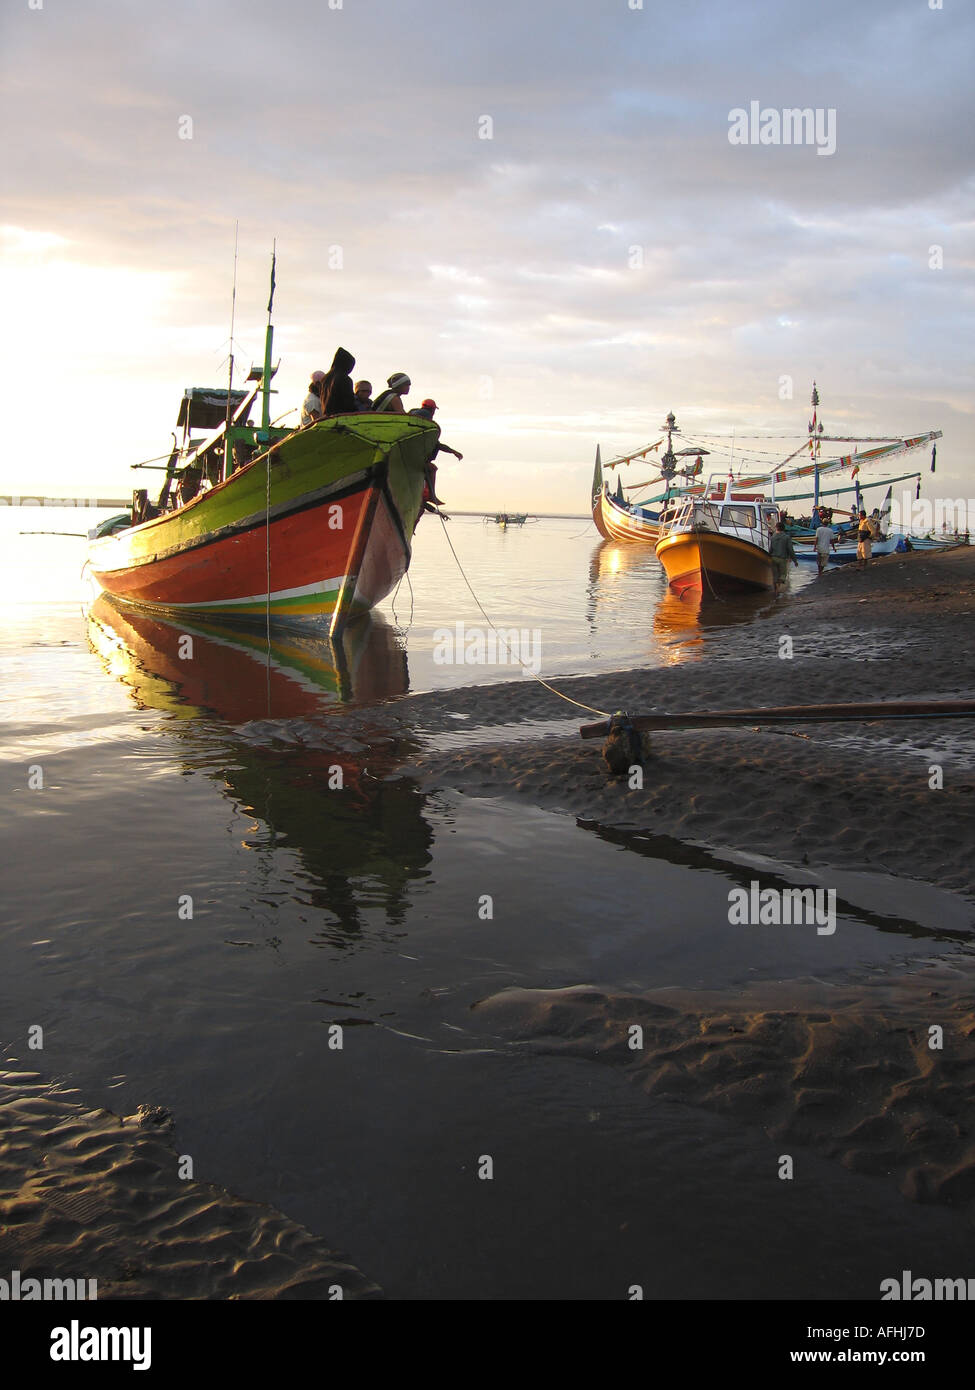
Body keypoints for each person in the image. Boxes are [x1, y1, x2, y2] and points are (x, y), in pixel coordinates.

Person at [408, 399, 462, 508]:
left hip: (409, 450)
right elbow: (438, 445)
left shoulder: (412, 412)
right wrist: (454, 452)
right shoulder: (425, 416)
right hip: (415, 456)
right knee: (432, 469)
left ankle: (425, 493)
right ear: (432, 409)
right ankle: (431, 495)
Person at [320, 347, 357, 416]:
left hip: (327, 418)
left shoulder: (325, 379)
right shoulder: (344, 378)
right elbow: (348, 403)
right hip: (342, 418)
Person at [770, 521, 798, 592]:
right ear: (784, 528)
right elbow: (790, 550)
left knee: (775, 576)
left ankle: (775, 590)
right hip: (782, 559)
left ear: (776, 528)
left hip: (773, 558)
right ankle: (778, 590)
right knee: (782, 575)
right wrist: (795, 561)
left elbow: (770, 549)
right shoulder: (786, 537)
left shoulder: (773, 537)